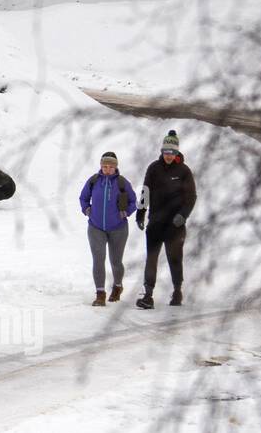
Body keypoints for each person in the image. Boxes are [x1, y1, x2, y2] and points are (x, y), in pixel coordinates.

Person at [135, 129, 197, 309]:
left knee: (174, 258)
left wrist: (182, 215)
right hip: (155, 223)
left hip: (175, 225)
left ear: (177, 152)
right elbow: (145, 191)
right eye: (166, 152)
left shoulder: (184, 171)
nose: (169, 156)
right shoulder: (153, 168)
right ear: (162, 151)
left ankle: (177, 291)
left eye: (172, 152)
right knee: (151, 258)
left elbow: (191, 197)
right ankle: (148, 295)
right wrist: (141, 213)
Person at [79, 150, 137, 306]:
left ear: (116, 167)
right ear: (100, 166)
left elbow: (133, 201)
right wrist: (87, 210)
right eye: (104, 166)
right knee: (98, 260)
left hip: (118, 228)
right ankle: (100, 294)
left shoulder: (122, 183)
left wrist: (126, 213)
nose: (107, 169)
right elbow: (83, 197)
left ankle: (117, 286)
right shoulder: (93, 181)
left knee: (116, 261)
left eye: (110, 167)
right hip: (96, 227)